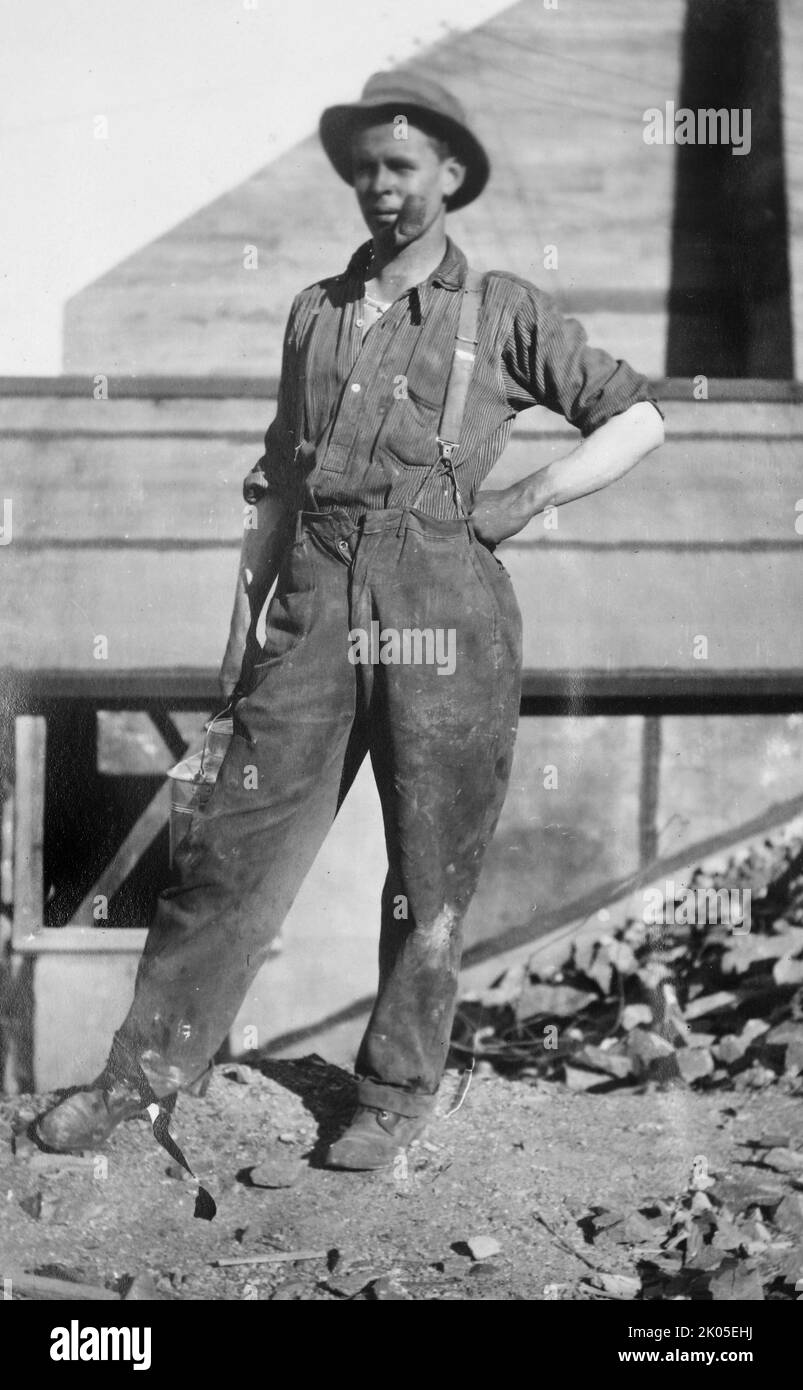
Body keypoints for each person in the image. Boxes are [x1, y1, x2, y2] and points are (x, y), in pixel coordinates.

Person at [38, 70, 664, 1170]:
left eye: (400, 168)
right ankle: (136, 1083)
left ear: (450, 176)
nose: (378, 188)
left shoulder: (502, 308)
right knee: (230, 847)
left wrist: (527, 499)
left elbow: (638, 417)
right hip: (315, 597)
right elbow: (278, 481)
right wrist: (244, 628)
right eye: (364, 169)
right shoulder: (316, 313)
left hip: (445, 603)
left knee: (428, 867)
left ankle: (391, 1094)